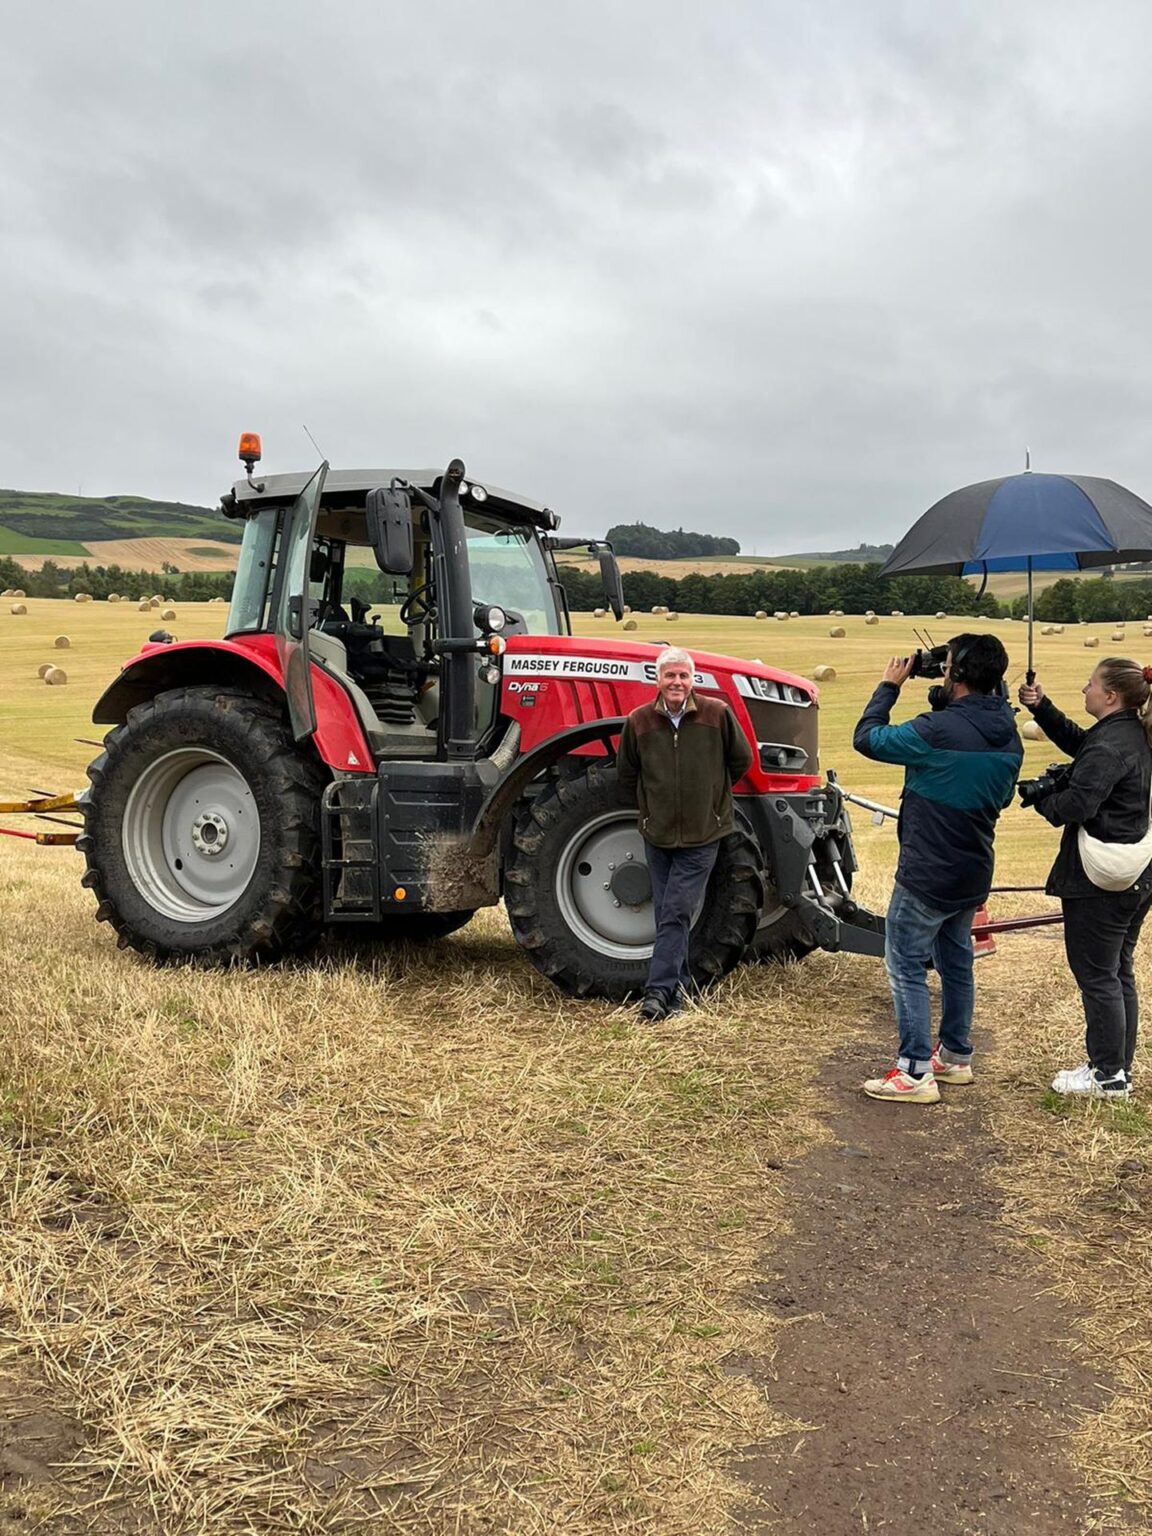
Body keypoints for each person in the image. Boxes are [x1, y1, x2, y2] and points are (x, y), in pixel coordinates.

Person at [853, 635, 1022, 1103]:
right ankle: (955, 1057)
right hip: (973, 867)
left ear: (958, 673)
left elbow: (867, 738)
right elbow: (1003, 796)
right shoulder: (1010, 734)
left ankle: (914, 1072)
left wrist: (889, 686)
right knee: (956, 962)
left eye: (947, 666)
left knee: (904, 963)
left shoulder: (935, 731)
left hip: (928, 869)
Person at [1018, 658, 1152, 1098]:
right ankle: (1117, 1069)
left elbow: (1077, 805)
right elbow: (1083, 744)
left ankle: (1107, 1075)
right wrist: (1041, 708)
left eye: (1091, 684)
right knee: (1117, 970)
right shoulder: (1131, 732)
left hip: (1101, 881)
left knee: (1097, 975)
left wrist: (1044, 800)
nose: (1084, 688)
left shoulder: (1111, 745)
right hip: (1137, 871)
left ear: (1110, 696)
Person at [618, 646, 752, 1021]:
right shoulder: (639, 721)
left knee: (676, 911)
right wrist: (650, 811)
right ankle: (679, 988)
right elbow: (627, 773)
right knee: (667, 913)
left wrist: (712, 801)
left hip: (703, 834)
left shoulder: (717, 714)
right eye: (670, 675)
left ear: (693, 680)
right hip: (658, 835)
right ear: (657, 679)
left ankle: (657, 993)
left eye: (683, 675)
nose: (676, 682)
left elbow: (741, 761)